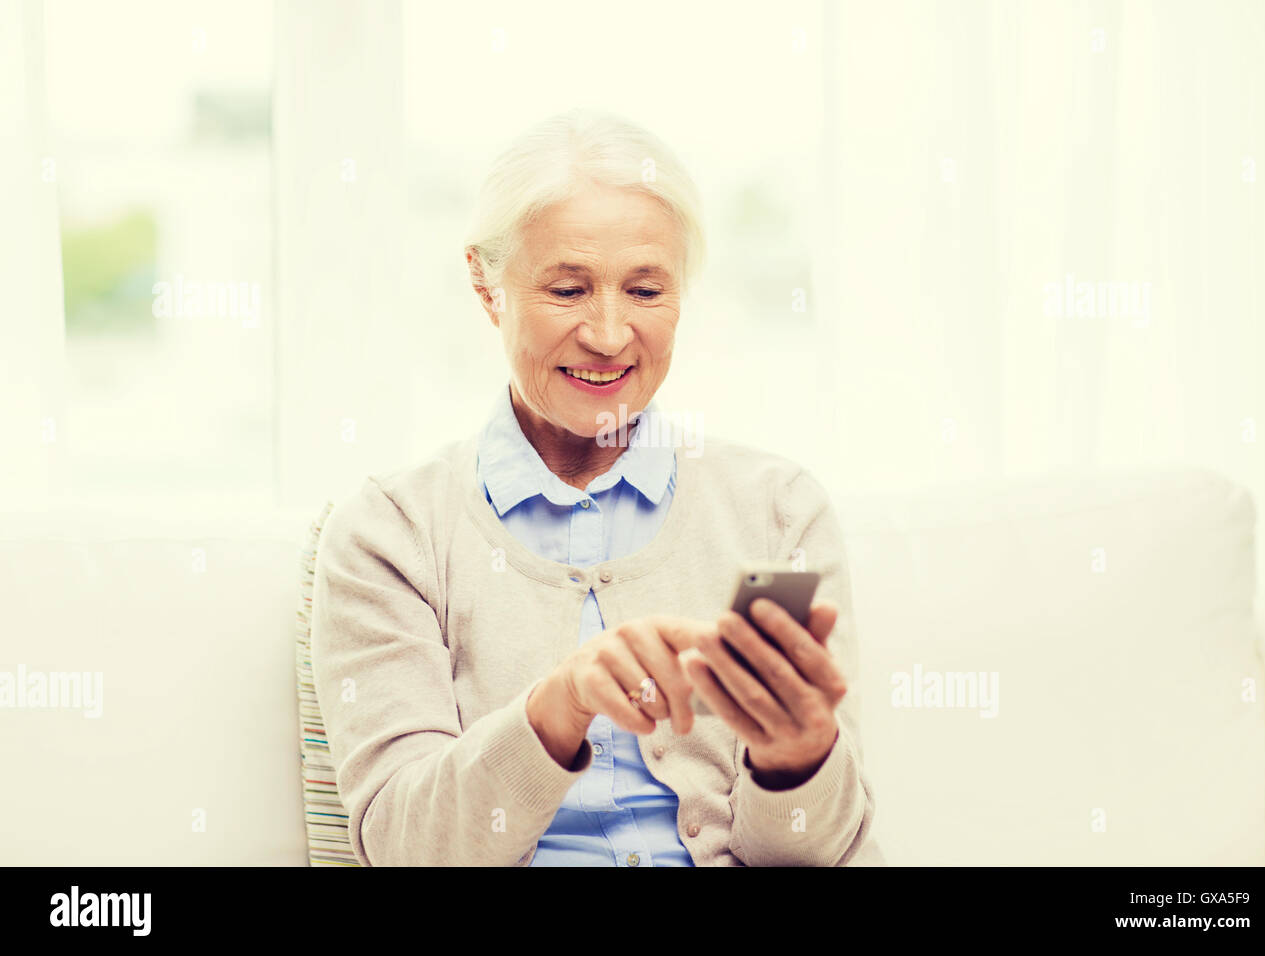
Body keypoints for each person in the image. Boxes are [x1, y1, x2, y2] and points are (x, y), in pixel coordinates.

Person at [310, 107, 885, 866]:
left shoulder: (777, 512)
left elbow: (811, 854)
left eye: (646, 292)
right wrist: (562, 704)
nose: (610, 335)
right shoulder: (390, 535)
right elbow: (412, 850)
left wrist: (800, 757)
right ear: (487, 287)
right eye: (568, 290)